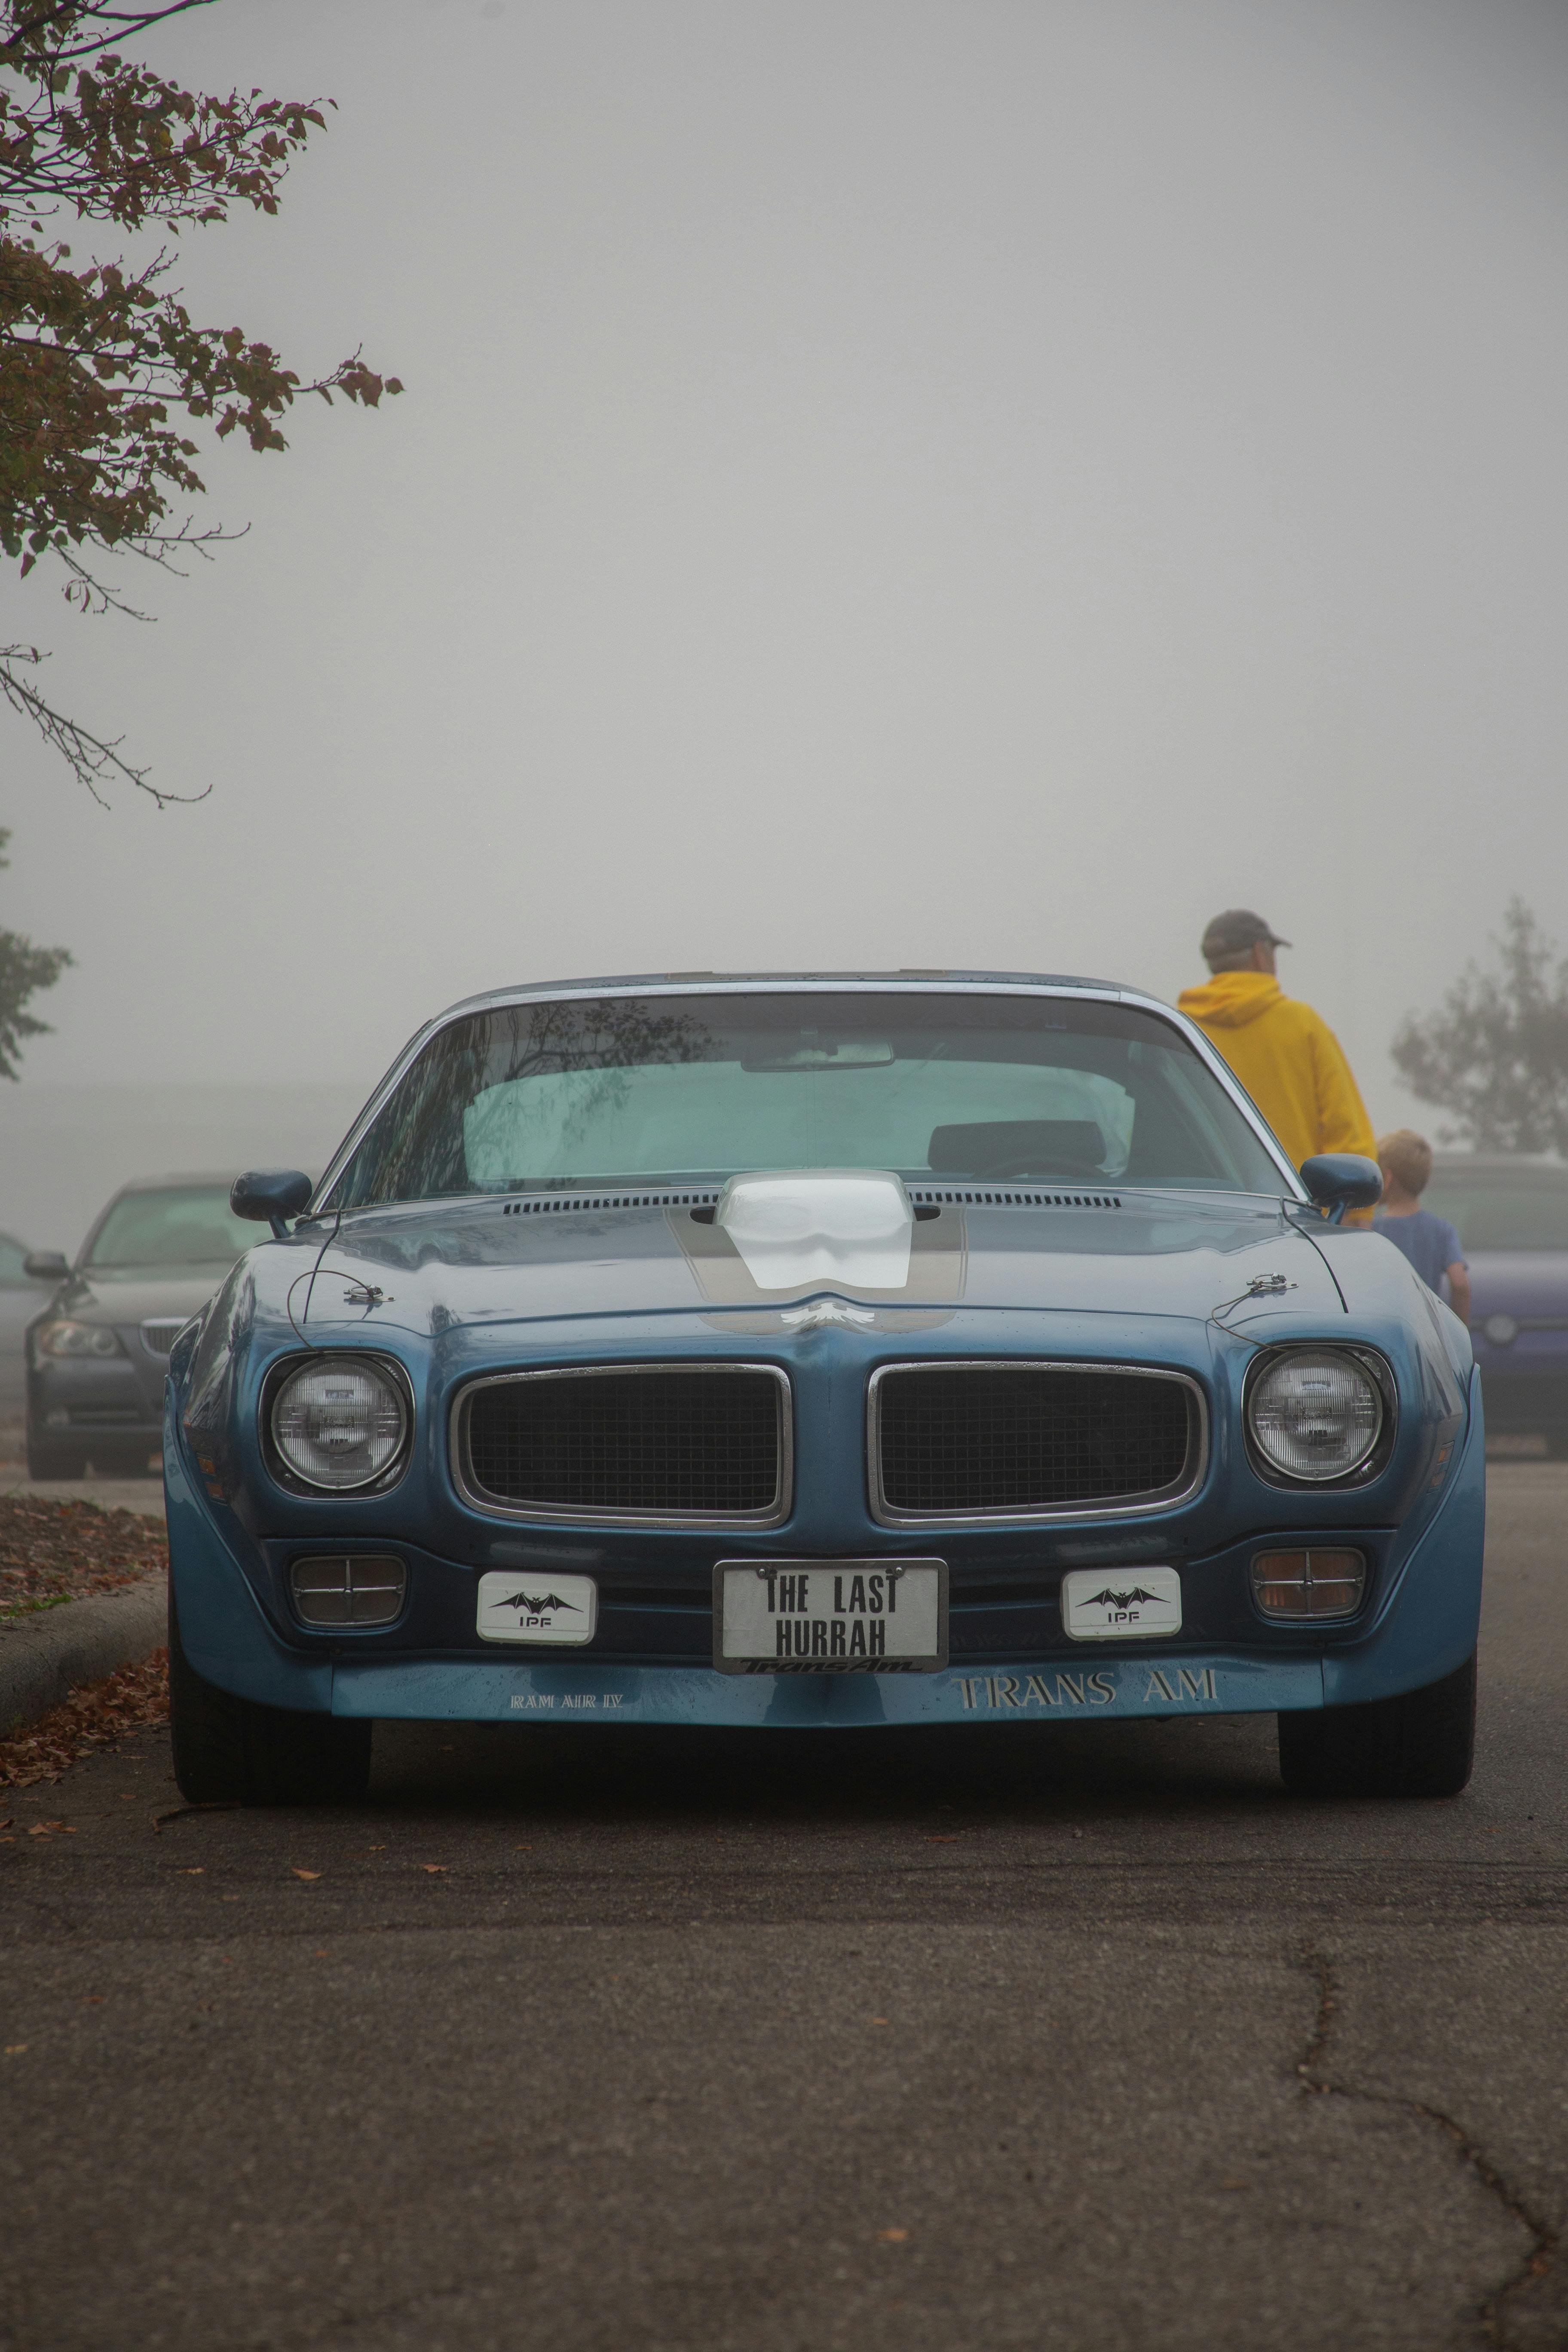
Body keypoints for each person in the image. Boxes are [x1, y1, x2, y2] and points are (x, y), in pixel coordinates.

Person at [1176, 910, 1377, 1177]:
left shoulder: (1180, 1029)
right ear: (1261, 954)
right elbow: (1345, 1127)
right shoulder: (1303, 1024)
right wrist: (1356, 1207)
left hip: (1205, 1203)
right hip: (1296, 1207)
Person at [1374, 1128, 1470, 1321]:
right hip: (1427, 1333)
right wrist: (1459, 1334)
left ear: (1387, 1178)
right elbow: (1460, 1285)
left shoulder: (1372, 1231)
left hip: (1383, 1333)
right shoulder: (1442, 1230)